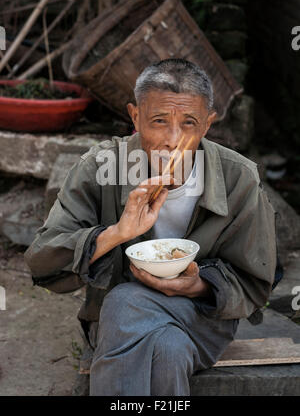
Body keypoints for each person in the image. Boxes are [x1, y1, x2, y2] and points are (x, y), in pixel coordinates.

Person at [24, 58, 278, 396]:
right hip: (116, 328)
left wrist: (197, 285)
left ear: (207, 125)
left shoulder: (238, 178)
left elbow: (255, 283)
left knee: (125, 301)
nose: (172, 140)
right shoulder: (101, 167)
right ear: (135, 117)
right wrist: (117, 232)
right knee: (168, 349)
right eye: (159, 120)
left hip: (201, 322)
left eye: (189, 123)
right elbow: (41, 261)